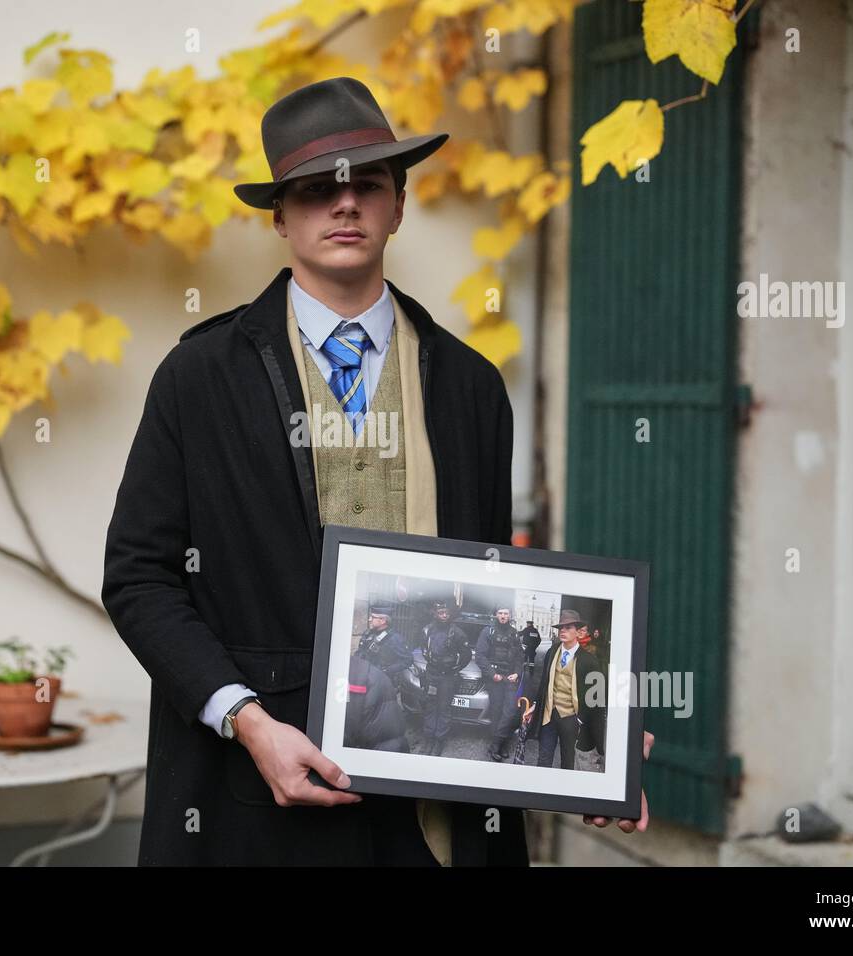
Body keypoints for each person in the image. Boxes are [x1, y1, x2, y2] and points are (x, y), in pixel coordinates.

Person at [102, 76, 533, 865]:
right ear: (280, 216)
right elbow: (139, 578)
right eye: (315, 191)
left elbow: (489, 583)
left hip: (432, 809)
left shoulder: (472, 386)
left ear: (397, 206)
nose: (344, 205)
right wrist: (248, 721)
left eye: (367, 184)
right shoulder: (197, 378)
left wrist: (591, 753)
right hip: (255, 802)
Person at [528, 609, 601, 770]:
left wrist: (580, 719)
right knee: (543, 759)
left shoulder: (589, 660)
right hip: (549, 714)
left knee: (567, 761)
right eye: (561, 627)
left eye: (568, 628)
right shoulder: (552, 652)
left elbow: (596, 695)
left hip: (571, 717)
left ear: (578, 632)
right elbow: (543, 683)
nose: (563, 631)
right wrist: (535, 705)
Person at [417, 599, 473, 757]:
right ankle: (428, 740)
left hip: (448, 677)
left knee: (444, 709)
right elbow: (422, 648)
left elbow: (466, 655)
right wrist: (432, 664)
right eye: (440, 613)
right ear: (435, 614)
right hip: (432, 675)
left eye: (446, 613)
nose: (443, 615)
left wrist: (455, 668)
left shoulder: (457, 633)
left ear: (450, 615)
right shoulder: (427, 630)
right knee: (430, 707)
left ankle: (439, 741)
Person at [475, 604, 524, 761]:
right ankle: (500, 746)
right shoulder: (487, 632)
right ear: (496, 615)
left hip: (509, 677)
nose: (503, 616)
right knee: (496, 712)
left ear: (510, 616)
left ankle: (495, 745)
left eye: (506, 613)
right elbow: (480, 656)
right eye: (500, 613)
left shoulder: (514, 634)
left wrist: (517, 673)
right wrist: (492, 674)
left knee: (509, 712)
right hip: (495, 678)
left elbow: (519, 657)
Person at [344, 655, 408, 753]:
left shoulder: (376, 679)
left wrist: (387, 670)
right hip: (371, 685)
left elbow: (407, 659)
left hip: (376, 689)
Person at [355, 604, 412, 684]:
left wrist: (386, 670)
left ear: (383, 621)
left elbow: (407, 660)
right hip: (365, 678)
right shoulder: (367, 633)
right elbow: (360, 652)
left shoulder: (394, 638)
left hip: (382, 682)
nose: (369, 619)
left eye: (373, 617)